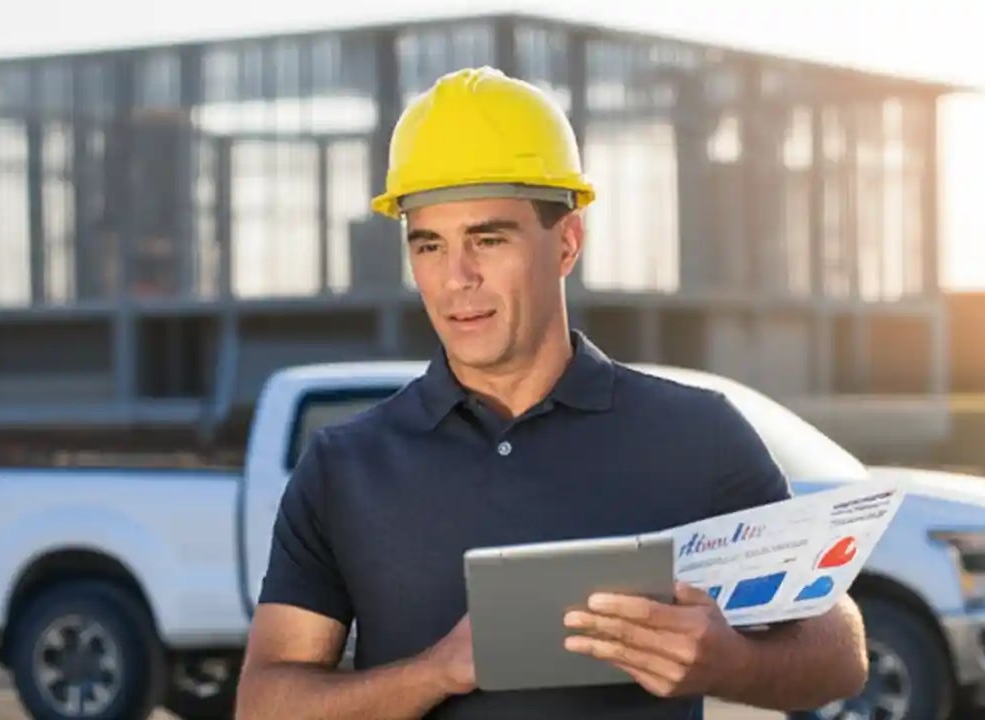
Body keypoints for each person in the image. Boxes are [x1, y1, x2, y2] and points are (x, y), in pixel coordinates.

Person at [234, 66, 868, 720]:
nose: (457, 278)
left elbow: (839, 648)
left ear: (566, 242)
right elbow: (264, 705)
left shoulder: (695, 436)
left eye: (488, 239)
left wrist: (731, 662)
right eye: (429, 245)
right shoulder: (345, 467)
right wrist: (436, 672)